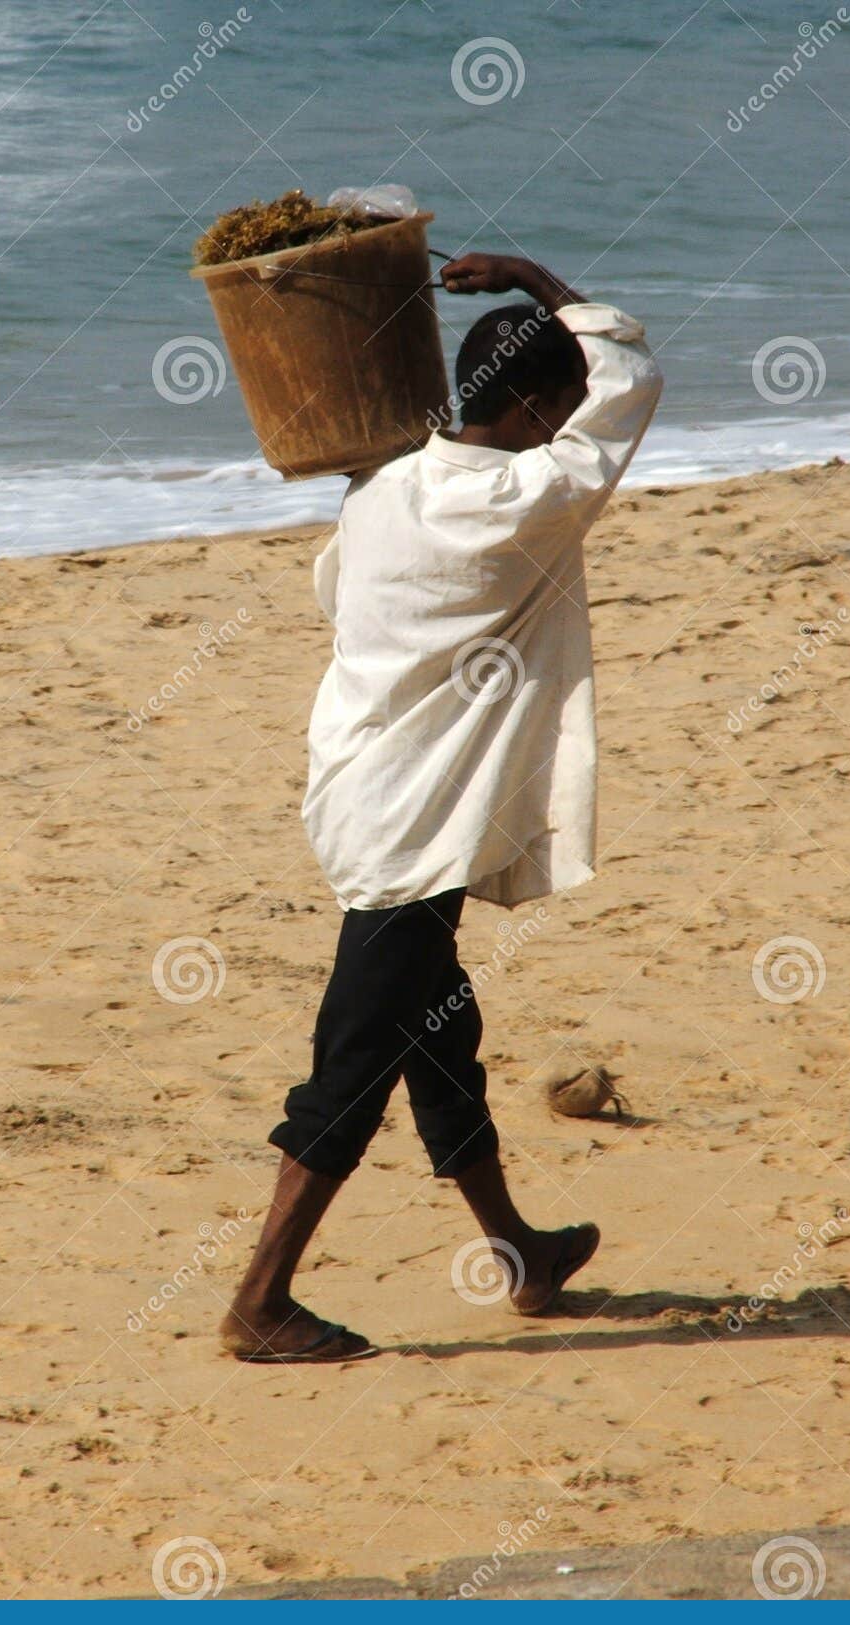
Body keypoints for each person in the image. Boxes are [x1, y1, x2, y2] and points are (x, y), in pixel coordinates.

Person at [221, 251, 663, 1363]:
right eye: (559, 408)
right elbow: (630, 375)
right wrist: (534, 276)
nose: (570, 424)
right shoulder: (530, 501)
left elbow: (339, 597)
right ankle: (260, 1303)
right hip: (415, 834)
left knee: (440, 1036)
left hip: (359, 794)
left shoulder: (381, 488)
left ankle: (521, 1253)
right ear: (535, 409)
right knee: (350, 1073)